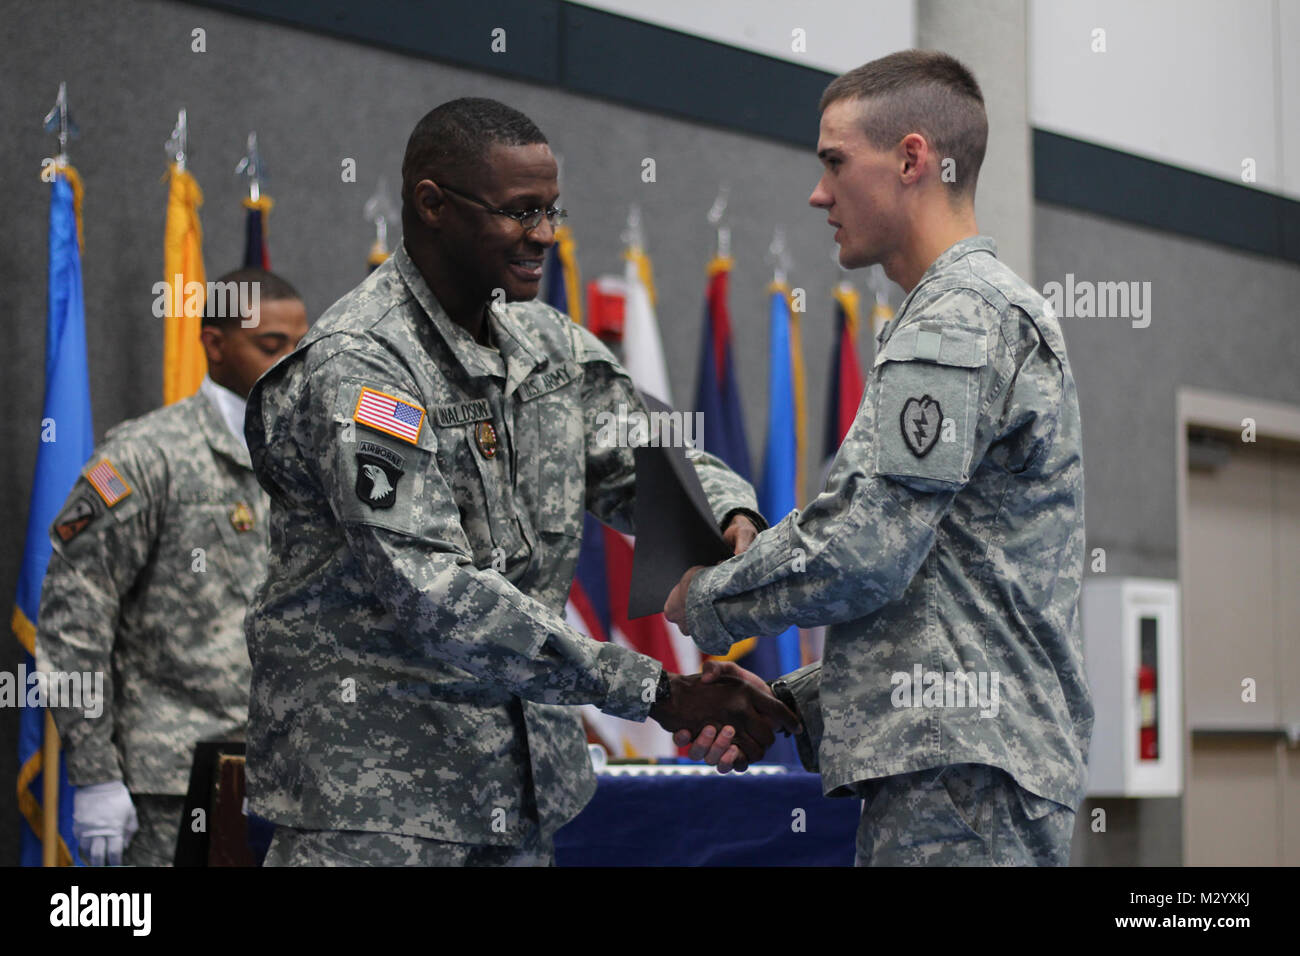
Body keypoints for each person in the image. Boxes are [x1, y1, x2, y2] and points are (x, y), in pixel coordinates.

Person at [243, 97, 796, 868]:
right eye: (519, 212)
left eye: (551, 209)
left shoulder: (546, 343)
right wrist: (660, 693)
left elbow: (651, 450)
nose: (545, 235)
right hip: (379, 812)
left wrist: (728, 513)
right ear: (432, 204)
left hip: (523, 796)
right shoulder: (363, 364)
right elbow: (434, 592)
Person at [666, 50, 1093, 866]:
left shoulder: (959, 318)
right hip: (964, 772)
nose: (818, 193)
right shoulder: (961, 313)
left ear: (910, 160)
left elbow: (867, 548)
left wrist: (708, 596)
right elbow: (950, 598)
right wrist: (790, 705)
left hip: (962, 783)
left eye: (834, 162)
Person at [36, 268, 309, 866]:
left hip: (297, 778)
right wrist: (95, 773)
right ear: (213, 342)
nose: (290, 361)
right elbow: (73, 620)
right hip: (173, 780)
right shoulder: (145, 455)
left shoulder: (310, 458)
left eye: (299, 345)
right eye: (270, 345)